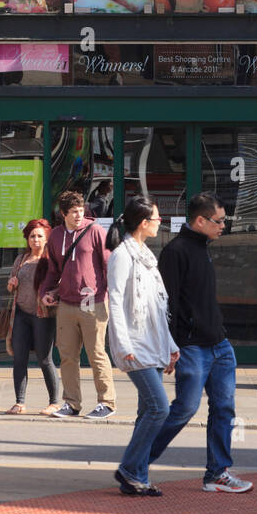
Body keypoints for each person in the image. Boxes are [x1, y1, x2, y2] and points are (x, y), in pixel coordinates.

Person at [147, 192, 253, 493]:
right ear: (200, 220)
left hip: (219, 345)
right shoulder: (176, 252)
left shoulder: (202, 247)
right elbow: (167, 305)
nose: (223, 226)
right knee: (184, 409)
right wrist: (171, 346)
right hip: (192, 347)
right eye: (219, 221)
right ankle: (138, 462)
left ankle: (217, 474)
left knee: (224, 408)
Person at [106, 197, 179, 496]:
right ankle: (129, 468)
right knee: (159, 408)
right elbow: (115, 302)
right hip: (135, 345)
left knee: (146, 411)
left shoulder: (147, 256)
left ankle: (138, 476)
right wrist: (122, 345)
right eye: (157, 218)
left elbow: (157, 308)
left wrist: (171, 345)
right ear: (142, 223)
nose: (160, 222)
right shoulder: (122, 256)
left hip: (154, 343)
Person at [39, 189, 116, 419]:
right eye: (73, 212)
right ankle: (71, 403)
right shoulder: (55, 236)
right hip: (66, 303)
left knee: (96, 353)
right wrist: (45, 292)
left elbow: (107, 264)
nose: (79, 215)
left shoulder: (95, 231)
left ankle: (107, 402)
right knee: (68, 356)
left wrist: (107, 293)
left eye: (81, 210)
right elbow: (52, 270)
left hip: (93, 302)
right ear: (63, 214)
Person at [6, 218, 60, 416]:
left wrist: (52, 295)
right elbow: (10, 286)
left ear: (47, 239)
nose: (35, 240)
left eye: (40, 236)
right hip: (20, 314)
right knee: (19, 359)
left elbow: (59, 284)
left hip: (43, 315)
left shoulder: (50, 260)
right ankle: (19, 402)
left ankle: (54, 402)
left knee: (45, 359)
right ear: (27, 239)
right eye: (32, 236)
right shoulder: (20, 260)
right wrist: (11, 283)